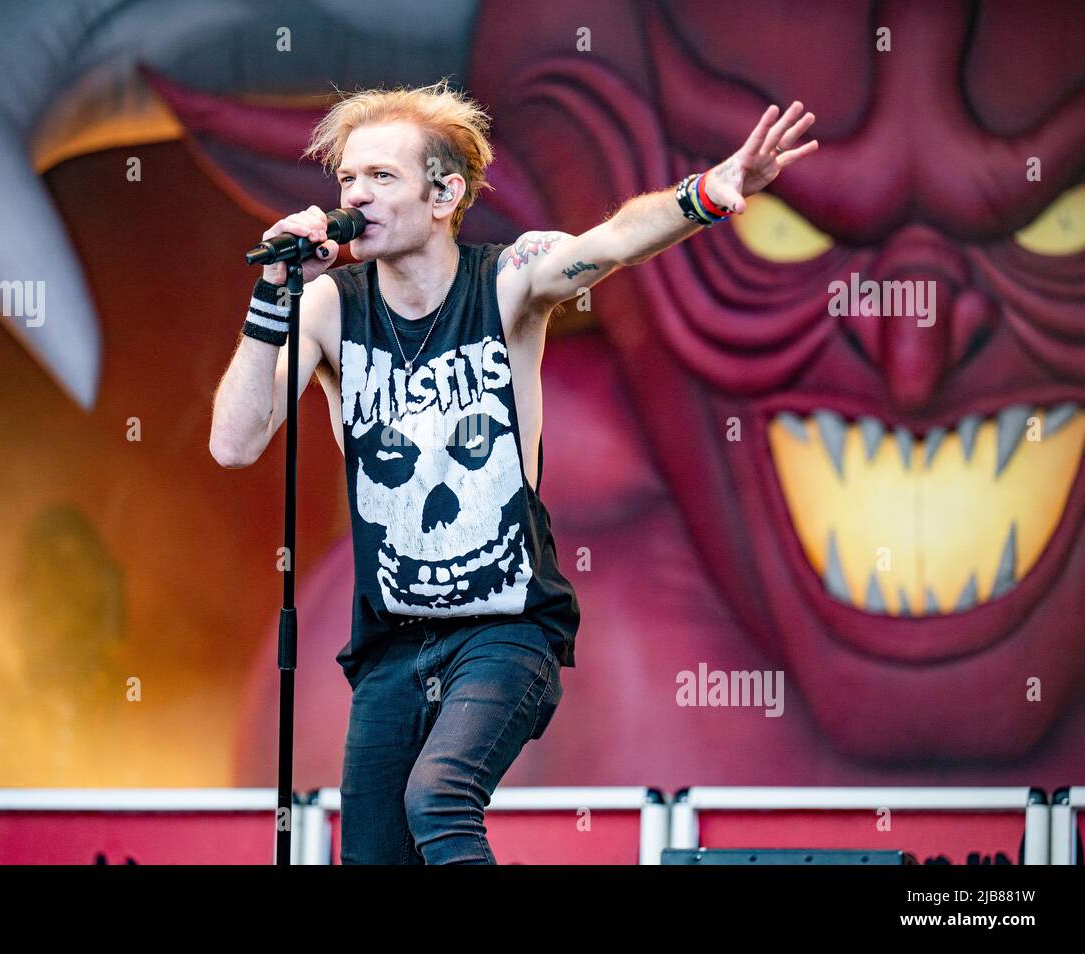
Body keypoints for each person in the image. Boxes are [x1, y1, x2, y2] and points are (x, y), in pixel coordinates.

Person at [208, 78, 817, 863]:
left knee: (440, 798)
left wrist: (706, 193)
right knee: (373, 853)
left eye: (381, 178)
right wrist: (271, 296)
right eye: (348, 179)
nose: (356, 195)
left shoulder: (508, 282)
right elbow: (234, 442)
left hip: (504, 627)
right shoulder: (329, 306)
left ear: (444, 194)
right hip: (392, 641)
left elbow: (614, 241)